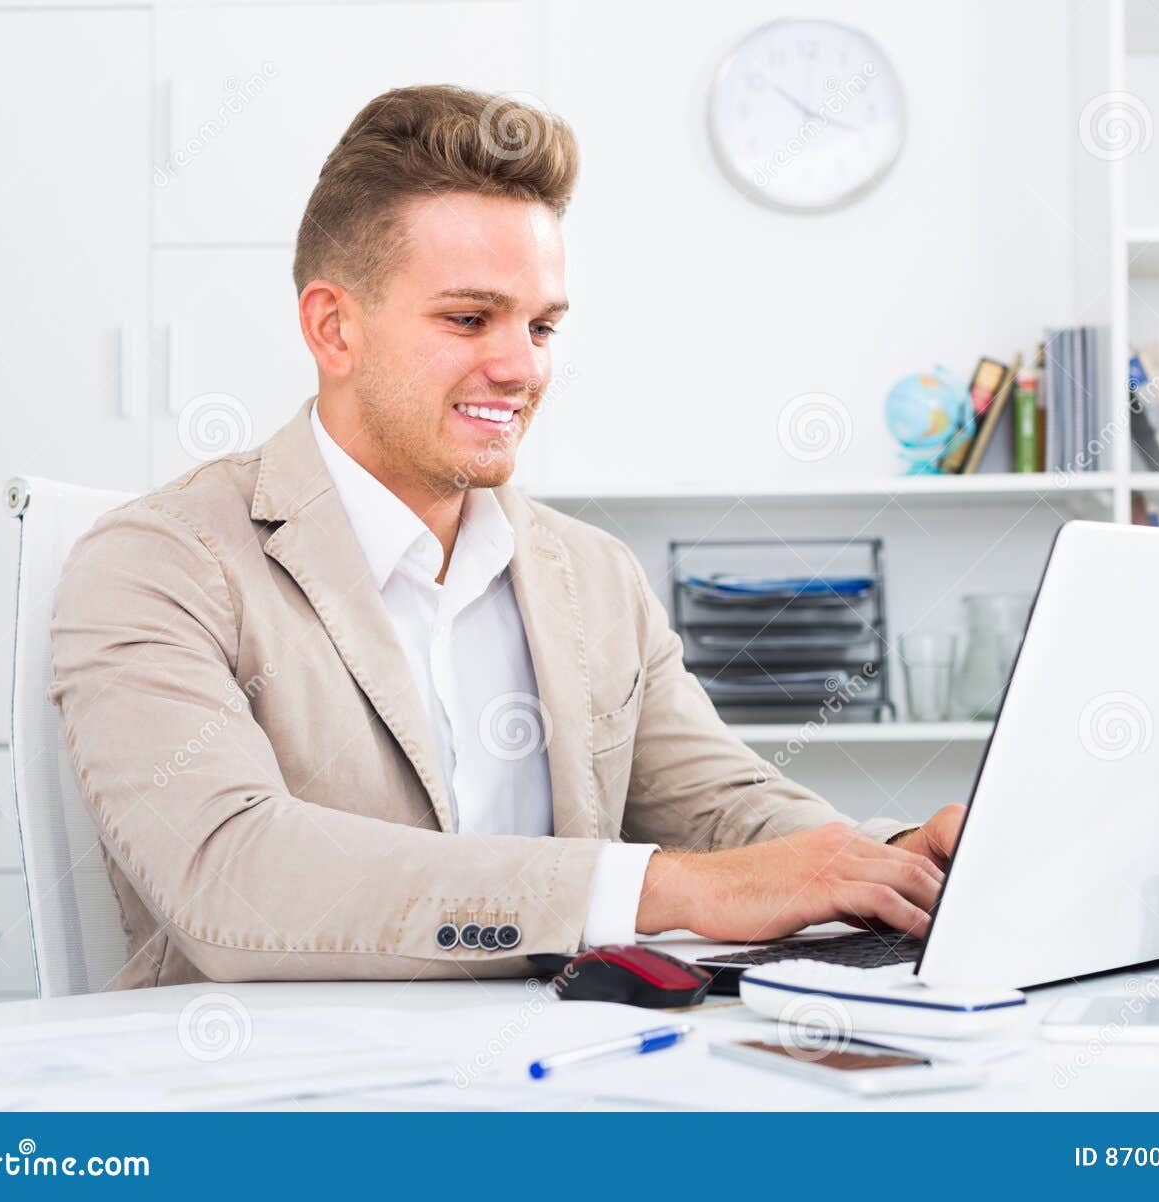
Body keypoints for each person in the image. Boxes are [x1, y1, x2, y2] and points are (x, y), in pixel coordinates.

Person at [49, 85, 965, 988]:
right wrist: (664, 887)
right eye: (468, 318)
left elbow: (719, 806)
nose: (523, 366)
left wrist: (890, 867)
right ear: (334, 328)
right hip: (272, 1096)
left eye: (542, 325)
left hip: (563, 1075)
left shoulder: (593, 575)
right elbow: (233, 872)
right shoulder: (161, 562)